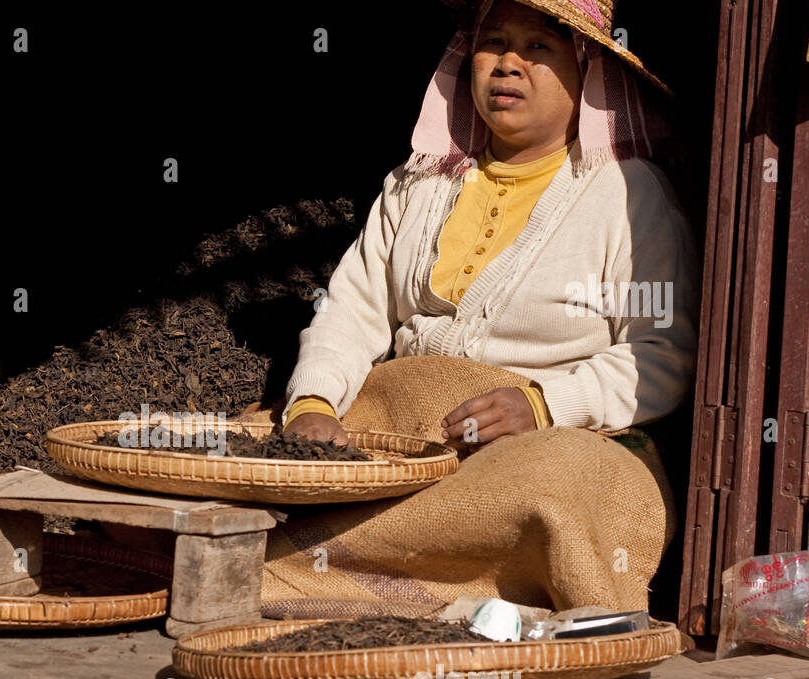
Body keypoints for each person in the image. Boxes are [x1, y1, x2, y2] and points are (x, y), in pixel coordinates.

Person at [263, 0, 700, 617]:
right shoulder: (418, 184)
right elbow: (350, 311)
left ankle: (280, 565)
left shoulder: (630, 196)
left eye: (539, 49)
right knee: (249, 436)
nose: (507, 65)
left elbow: (664, 355)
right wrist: (311, 406)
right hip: (404, 424)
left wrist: (545, 404)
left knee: (553, 485)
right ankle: (344, 566)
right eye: (493, 43)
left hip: (556, 443)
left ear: (587, 76)